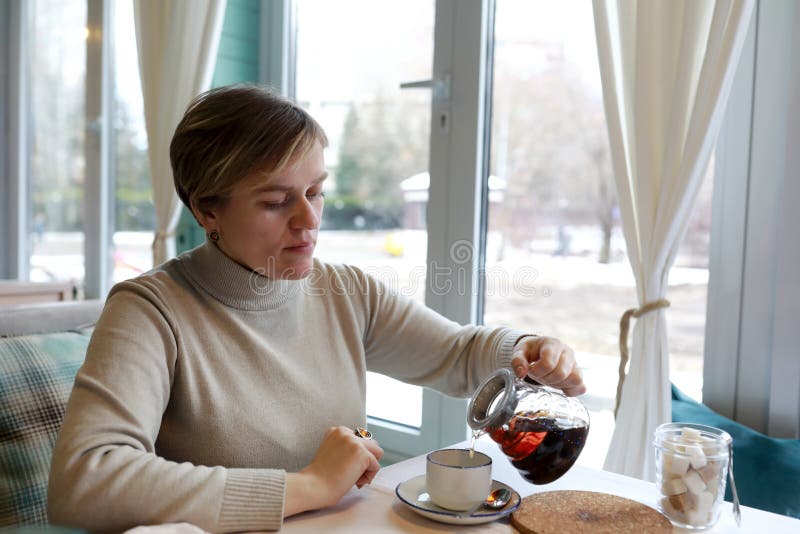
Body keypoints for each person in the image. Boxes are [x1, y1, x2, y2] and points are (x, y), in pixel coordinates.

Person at [48, 85, 585, 532]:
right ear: (206, 208)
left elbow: (458, 352)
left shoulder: (346, 291)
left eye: (316, 191)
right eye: (276, 201)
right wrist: (305, 486)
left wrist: (526, 349)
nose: (309, 220)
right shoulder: (150, 312)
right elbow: (85, 481)